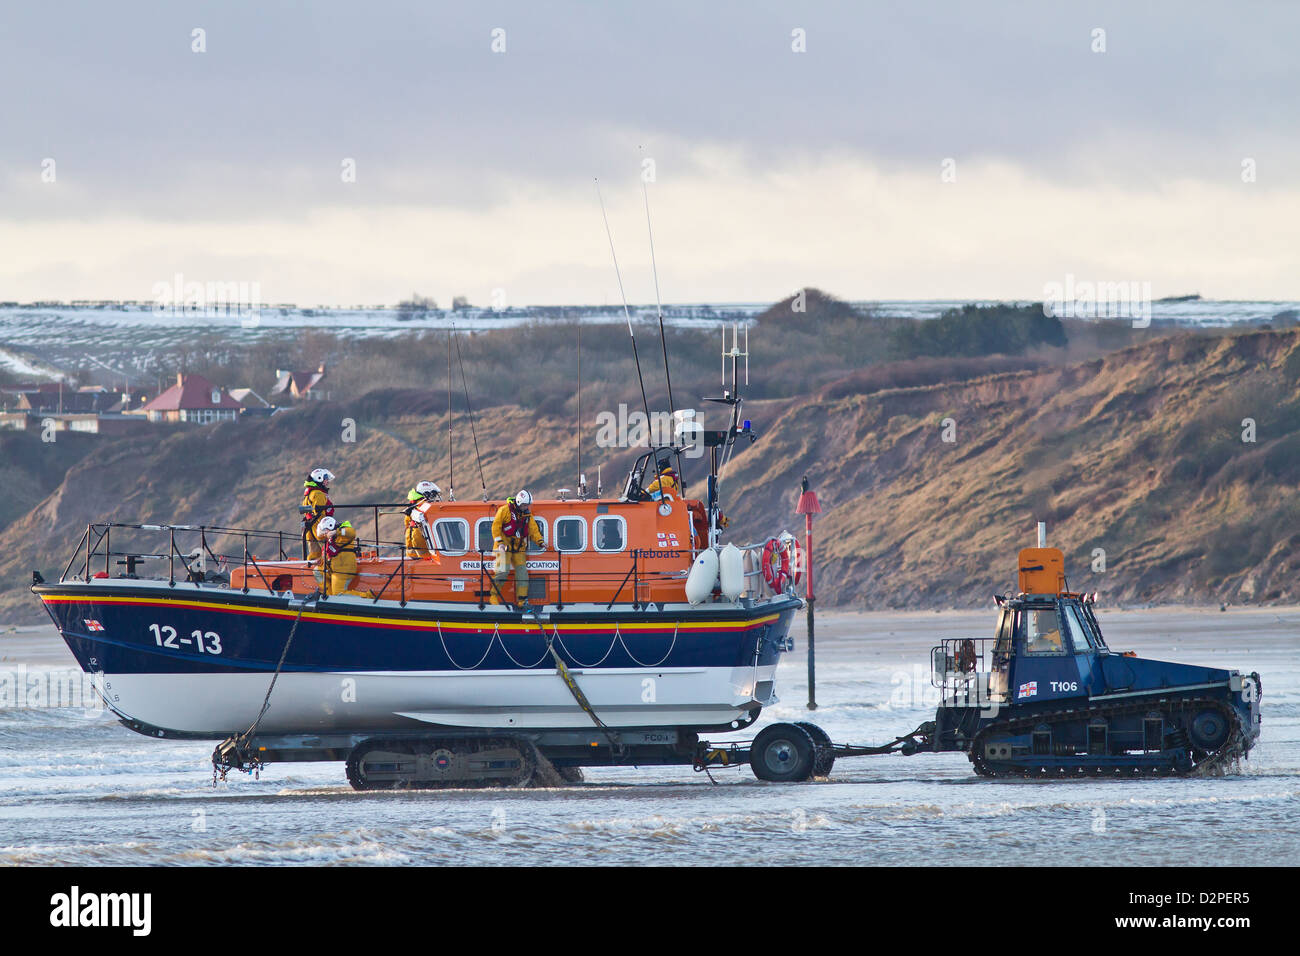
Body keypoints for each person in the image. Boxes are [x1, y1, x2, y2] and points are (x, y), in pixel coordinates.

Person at [490, 489, 543, 606]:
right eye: (524, 505)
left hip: (518, 548)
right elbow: (496, 527)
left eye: (527, 505)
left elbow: (533, 530)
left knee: (522, 573)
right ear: (519, 502)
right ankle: (493, 595)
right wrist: (500, 543)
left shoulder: (527, 515)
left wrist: (540, 541)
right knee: (502, 571)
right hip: (503, 546)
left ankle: (522, 600)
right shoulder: (504, 511)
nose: (526, 507)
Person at [316, 516, 368, 597]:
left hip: (343, 568)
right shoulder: (330, 540)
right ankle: (329, 597)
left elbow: (352, 532)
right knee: (317, 572)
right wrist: (321, 560)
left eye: (326, 532)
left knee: (338, 594)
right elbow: (330, 552)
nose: (325, 534)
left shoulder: (343, 532)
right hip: (333, 568)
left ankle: (367, 597)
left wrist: (336, 532)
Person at [300, 468, 335, 561]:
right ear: (319, 478)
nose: (327, 481)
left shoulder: (310, 493)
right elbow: (320, 513)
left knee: (315, 555)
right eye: (325, 478)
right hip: (317, 527)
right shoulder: (318, 494)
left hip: (310, 528)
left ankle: (313, 570)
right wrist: (325, 530)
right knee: (328, 553)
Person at [403, 480, 442, 559]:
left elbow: (407, 523)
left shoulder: (414, 506)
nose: (435, 497)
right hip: (420, 547)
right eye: (433, 494)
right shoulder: (422, 507)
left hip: (412, 547)